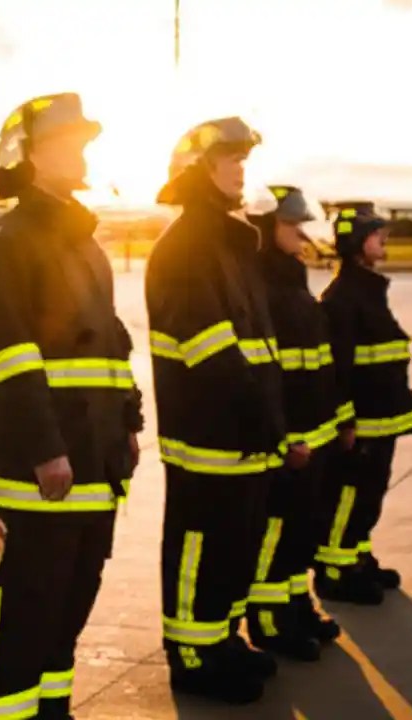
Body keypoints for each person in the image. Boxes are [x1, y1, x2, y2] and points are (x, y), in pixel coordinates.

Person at [0, 92, 143, 719]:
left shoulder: (84, 245)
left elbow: (113, 349)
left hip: (94, 467)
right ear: (27, 157)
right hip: (38, 478)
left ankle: (51, 713)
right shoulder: (5, 244)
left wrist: (129, 424)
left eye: (83, 141)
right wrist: (45, 450)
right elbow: (5, 361)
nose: (80, 150)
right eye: (66, 141)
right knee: (23, 618)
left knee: (67, 616)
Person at [146, 117, 290, 704]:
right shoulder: (185, 248)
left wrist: (269, 420)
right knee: (200, 546)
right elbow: (210, 350)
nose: (240, 170)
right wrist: (261, 417)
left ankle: (221, 640)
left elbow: (257, 346)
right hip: (207, 437)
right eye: (228, 161)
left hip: (247, 435)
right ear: (197, 173)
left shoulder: (229, 247)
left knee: (235, 546)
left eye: (241, 161)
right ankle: (191, 655)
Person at [243, 185, 344, 660]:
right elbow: (266, 376)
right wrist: (283, 437)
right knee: (276, 533)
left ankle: (295, 604)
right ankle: (267, 619)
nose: (300, 234)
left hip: (315, 432)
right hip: (290, 438)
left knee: (302, 529)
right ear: (264, 228)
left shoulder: (291, 279)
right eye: (289, 224)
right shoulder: (261, 287)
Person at [315, 204, 412, 605]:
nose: (385, 240)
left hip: (381, 419)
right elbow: (336, 370)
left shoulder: (367, 290)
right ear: (359, 244)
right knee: (347, 496)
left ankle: (357, 557)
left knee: (368, 495)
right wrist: (345, 422)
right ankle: (334, 571)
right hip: (361, 423)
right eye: (377, 235)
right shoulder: (343, 298)